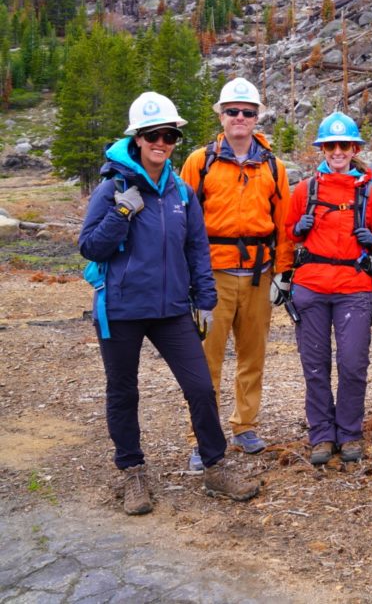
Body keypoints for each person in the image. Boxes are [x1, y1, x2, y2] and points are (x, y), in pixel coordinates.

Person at [79, 92, 259, 515]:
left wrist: (205, 298)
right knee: (123, 391)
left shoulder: (181, 191)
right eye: (153, 134)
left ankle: (215, 467)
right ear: (138, 138)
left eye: (169, 135)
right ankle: (132, 472)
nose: (162, 142)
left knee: (199, 386)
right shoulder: (113, 188)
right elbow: (90, 247)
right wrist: (121, 213)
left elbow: (197, 248)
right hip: (120, 309)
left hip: (172, 309)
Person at [179, 77, 293, 470]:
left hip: (260, 275)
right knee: (205, 362)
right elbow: (183, 220)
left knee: (253, 354)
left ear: (257, 116)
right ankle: (203, 438)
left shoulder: (274, 166)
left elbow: (284, 225)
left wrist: (285, 273)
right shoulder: (199, 161)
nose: (240, 118)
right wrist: (188, 275)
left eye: (247, 112)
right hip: (213, 275)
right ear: (221, 116)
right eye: (232, 111)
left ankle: (245, 425)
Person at [285, 112, 372, 465]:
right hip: (310, 286)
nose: (337, 151)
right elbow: (289, 231)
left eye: (343, 145)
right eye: (330, 145)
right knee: (314, 365)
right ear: (323, 149)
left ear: (353, 148)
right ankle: (320, 435)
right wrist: (298, 228)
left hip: (354, 286)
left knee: (352, 363)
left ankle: (348, 433)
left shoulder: (369, 193)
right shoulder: (305, 190)